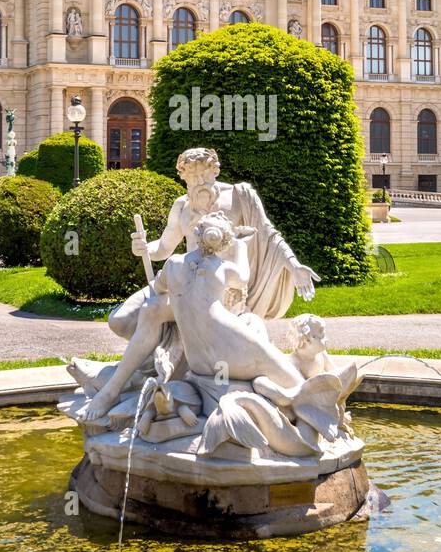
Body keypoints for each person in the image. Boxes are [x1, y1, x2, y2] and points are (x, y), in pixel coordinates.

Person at [69, 147, 319, 421]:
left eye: (204, 175)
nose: (199, 183)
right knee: (120, 320)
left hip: (220, 292)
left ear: (215, 171)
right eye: (192, 178)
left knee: (152, 311)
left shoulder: (239, 196)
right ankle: (157, 361)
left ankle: (117, 387)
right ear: (183, 178)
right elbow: (164, 248)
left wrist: (293, 266)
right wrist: (144, 248)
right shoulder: (182, 206)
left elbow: (269, 234)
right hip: (182, 279)